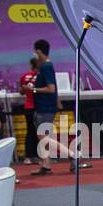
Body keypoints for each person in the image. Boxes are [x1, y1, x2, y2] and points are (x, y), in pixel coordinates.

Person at [31, 39, 60, 176]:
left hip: (45, 107)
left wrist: (34, 90)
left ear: (38, 51)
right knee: (44, 136)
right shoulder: (46, 66)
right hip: (46, 106)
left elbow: (51, 88)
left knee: (43, 136)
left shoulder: (46, 67)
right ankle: (46, 162)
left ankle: (73, 154)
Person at [18, 57, 38, 163]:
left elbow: (21, 91)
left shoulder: (24, 76)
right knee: (40, 132)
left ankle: (28, 156)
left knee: (29, 131)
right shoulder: (40, 76)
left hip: (28, 106)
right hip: (39, 107)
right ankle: (39, 156)